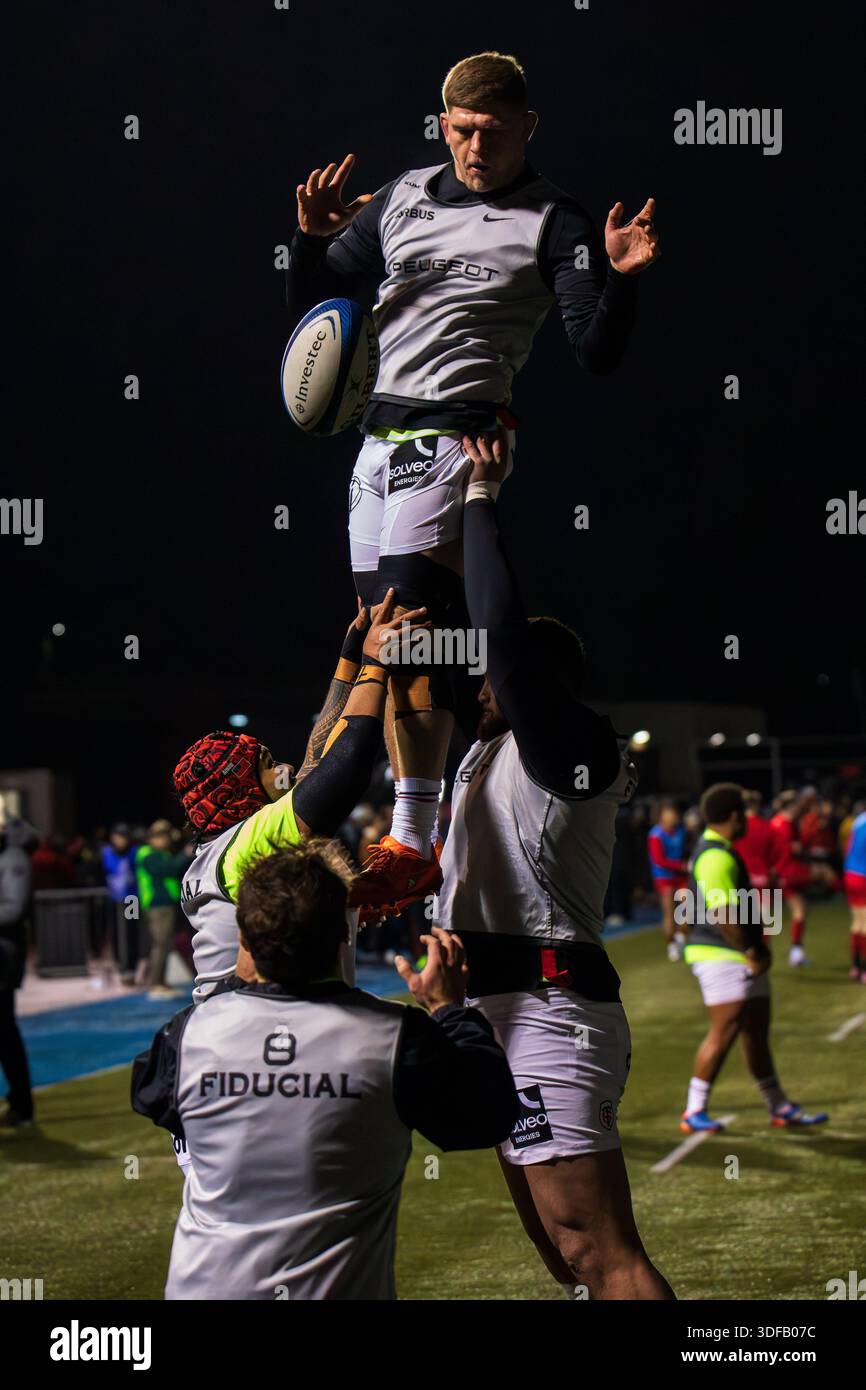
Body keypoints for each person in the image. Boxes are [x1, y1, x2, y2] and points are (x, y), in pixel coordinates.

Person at [286, 50, 660, 913]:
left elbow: (594, 353)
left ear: (528, 126)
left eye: (493, 130)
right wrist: (310, 243)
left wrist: (624, 281)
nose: (475, 145)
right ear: (441, 123)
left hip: (456, 434)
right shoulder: (404, 196)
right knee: (370, 630)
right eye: (460, 129)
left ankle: (413, 834)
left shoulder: (554, 219)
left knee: (406, 625)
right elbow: (313, 309)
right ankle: (342, 800)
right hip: (373, 440)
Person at [425, 429, 671, 1301]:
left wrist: (484, 497)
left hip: (549, 1009)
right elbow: (452, 638)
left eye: (501, 674)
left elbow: (494, 628)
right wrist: (422, 524)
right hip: (494, 1007)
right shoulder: (486, 751)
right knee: (562, 1260)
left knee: (596, 1252)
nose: (482, 683)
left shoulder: (572, 743)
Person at [131, 840, 518, 1300]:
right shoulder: (396, 1037)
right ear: (343, 933)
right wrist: (449, 1009)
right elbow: (487, 1116)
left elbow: (153, 1097)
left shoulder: (188, 1037)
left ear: (245, 937)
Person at [172, 592, 428, 1006]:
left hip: (226, 1027)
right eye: (267, 764)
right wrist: (377, 664)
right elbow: (345, 766)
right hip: (253, 1031)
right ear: (237, 786)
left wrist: (349, 663)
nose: (284, 768)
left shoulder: (221, 850)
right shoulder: (246, 844)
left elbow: (316, 760)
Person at [678, 783, 828, 1134]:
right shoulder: (714, 855)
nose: (749, 817)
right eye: (744, 812)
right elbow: (723, 915)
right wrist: (752, 950)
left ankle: (779, 1106)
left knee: (756, 1031)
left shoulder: (719, 849)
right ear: (733, 815)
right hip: (722, 954)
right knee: (725, 1030)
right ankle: (693, 1110)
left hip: (735, 952)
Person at [0, 816, 39, 1129]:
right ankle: (19, 1103)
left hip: (3, 956)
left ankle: (21, 1105)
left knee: (5, 1033)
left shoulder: (13, 858)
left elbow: (13, 908)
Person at [769, 790, 835, 967]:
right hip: (790, 872)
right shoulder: (788, 824)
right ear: (791, 806)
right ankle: (828, 895)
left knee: (800, 910)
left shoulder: (774, 822)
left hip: (779, 873)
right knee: (826, 873)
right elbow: (797, 848)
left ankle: (796, 953)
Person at [135, 822, 190, 997]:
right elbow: (168, 870)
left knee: (165, 944)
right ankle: (155, 983)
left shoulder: (159, 853)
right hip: (157, 906)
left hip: (164, 905)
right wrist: (184, 855)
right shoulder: (148, 855)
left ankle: (161, 982)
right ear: (154, 838)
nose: (167, 840)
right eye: (163, 836)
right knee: (160, 944)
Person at [647, 803, 687, 960]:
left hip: (681, 876)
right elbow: (659, 860)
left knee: (687, 908)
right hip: (664, 877)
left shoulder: (680, 830)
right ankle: (671, 944)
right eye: (669, 812)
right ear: (661, 815)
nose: (673, 816)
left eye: (674, 812)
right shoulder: (655, 835)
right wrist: (681, 865)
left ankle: (681, 936)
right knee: (669, 912)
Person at [100, 822, 139, 983]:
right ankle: (120, 965)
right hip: (114, 899)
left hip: (131, 899)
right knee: (115, 932)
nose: (119, 841)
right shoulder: (106, 853)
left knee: (131, 932)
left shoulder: (135, 853)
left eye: (122, 837)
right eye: (116, 837)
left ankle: (130, 967)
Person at [842, 803, 866, 982]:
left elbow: (847, 849)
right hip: (863, 876)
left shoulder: (857, 823)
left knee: (857, 921)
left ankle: (855, 967)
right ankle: (864, 970)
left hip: (850, 874)